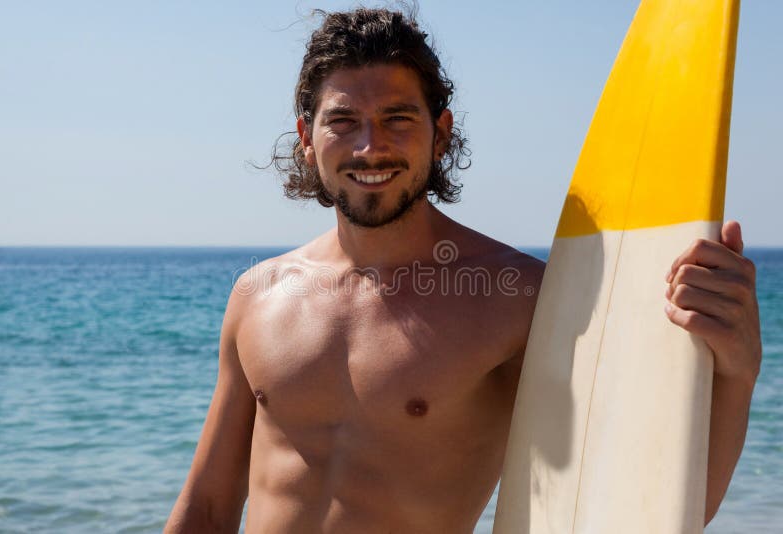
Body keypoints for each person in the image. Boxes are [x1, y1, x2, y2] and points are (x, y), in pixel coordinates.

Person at [165, 8, 762, 533]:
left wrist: (737, 368)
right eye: (343, 121)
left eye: (398, 118)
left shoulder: (518, 299)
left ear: (440, 134)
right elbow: (207, 510)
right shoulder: (258, 295)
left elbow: (644, 502)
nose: (370, 146)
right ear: (306, 137)